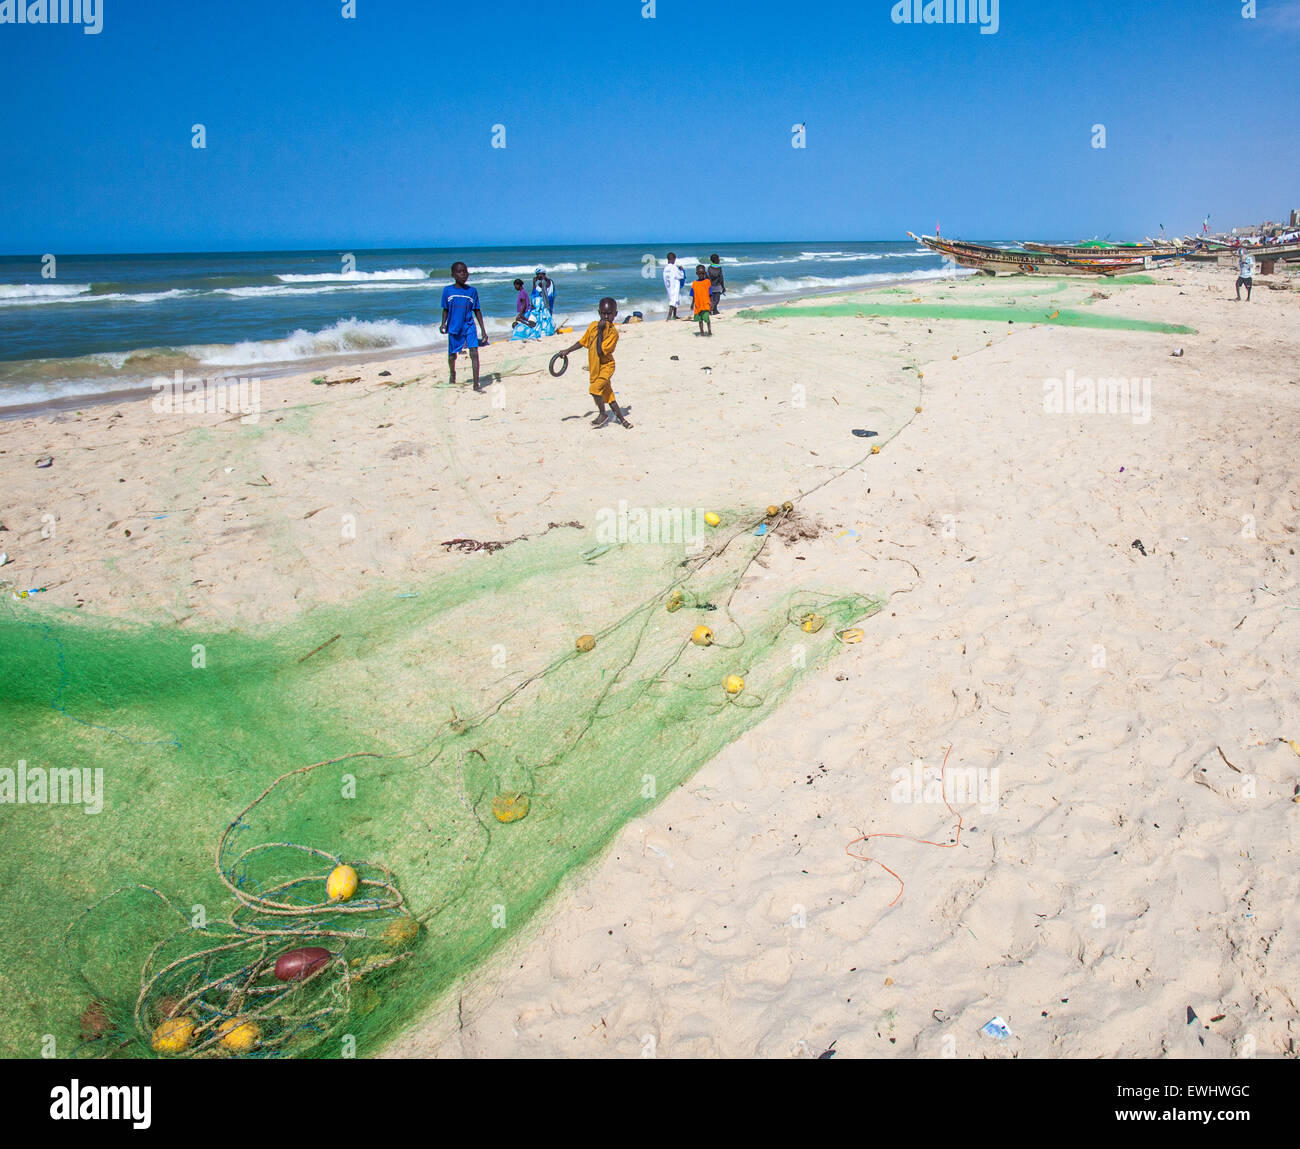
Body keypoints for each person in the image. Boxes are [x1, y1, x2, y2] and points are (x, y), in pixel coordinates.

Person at [556, 296, 632, 428]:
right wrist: (567, 350)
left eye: (610, 314)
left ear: (616, 314)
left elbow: (600, 351)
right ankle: (623, 420)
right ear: (599, 312)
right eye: (603, 314)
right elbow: (582, 342)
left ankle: (603, 414)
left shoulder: (613, 333)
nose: (606, 317)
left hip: (606, 367)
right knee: (608, 395)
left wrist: (601, 332)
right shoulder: (593, 326)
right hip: (595, 367)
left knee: (594, 389)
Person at [440, 262, 489, 390]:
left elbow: (477, 310)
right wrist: (443, 323)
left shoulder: (472, 291)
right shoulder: (448, 291)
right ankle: (452, 373)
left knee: (474, 352)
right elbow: (445, 309)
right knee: (452, 356)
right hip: (454, 327)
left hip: (469, 326)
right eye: (460, 271)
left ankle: (476, 384)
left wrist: (483, 330)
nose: (463, 274)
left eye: (465, 271)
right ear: (453, 274)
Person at [510, 269, 557, 341]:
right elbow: (535, 294)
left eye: (538, 274)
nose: (537, 276)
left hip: (543, 306)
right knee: (543, 320)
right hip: (545, 306)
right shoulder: (546, 282)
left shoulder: (544, 282)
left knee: (538, 322)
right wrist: (534, 283)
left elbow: (535, 295)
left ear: (542, 274)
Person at [690, 265, 713, 336]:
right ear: (696, 273)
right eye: (700, 273)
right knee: (700, 320)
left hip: (706, 304)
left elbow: (710, 294)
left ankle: (709, 331)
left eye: (703, 273)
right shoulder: (694, 283)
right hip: (698, 305)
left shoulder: (707, 282)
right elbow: (694, 295)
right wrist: (692, 304)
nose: (701, 275)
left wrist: (711, 303)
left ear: (705, 273)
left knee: (707, 319)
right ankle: (702, 332)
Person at [662, 252, 686, 320]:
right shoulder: (674, 267)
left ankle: (674, 315)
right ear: (673, 259)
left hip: (668, 286)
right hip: (674, 286)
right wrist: (681, 270)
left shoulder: (665, 268)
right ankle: (669, 317)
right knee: (673, 301)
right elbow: (680, 276)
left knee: (675, 299)